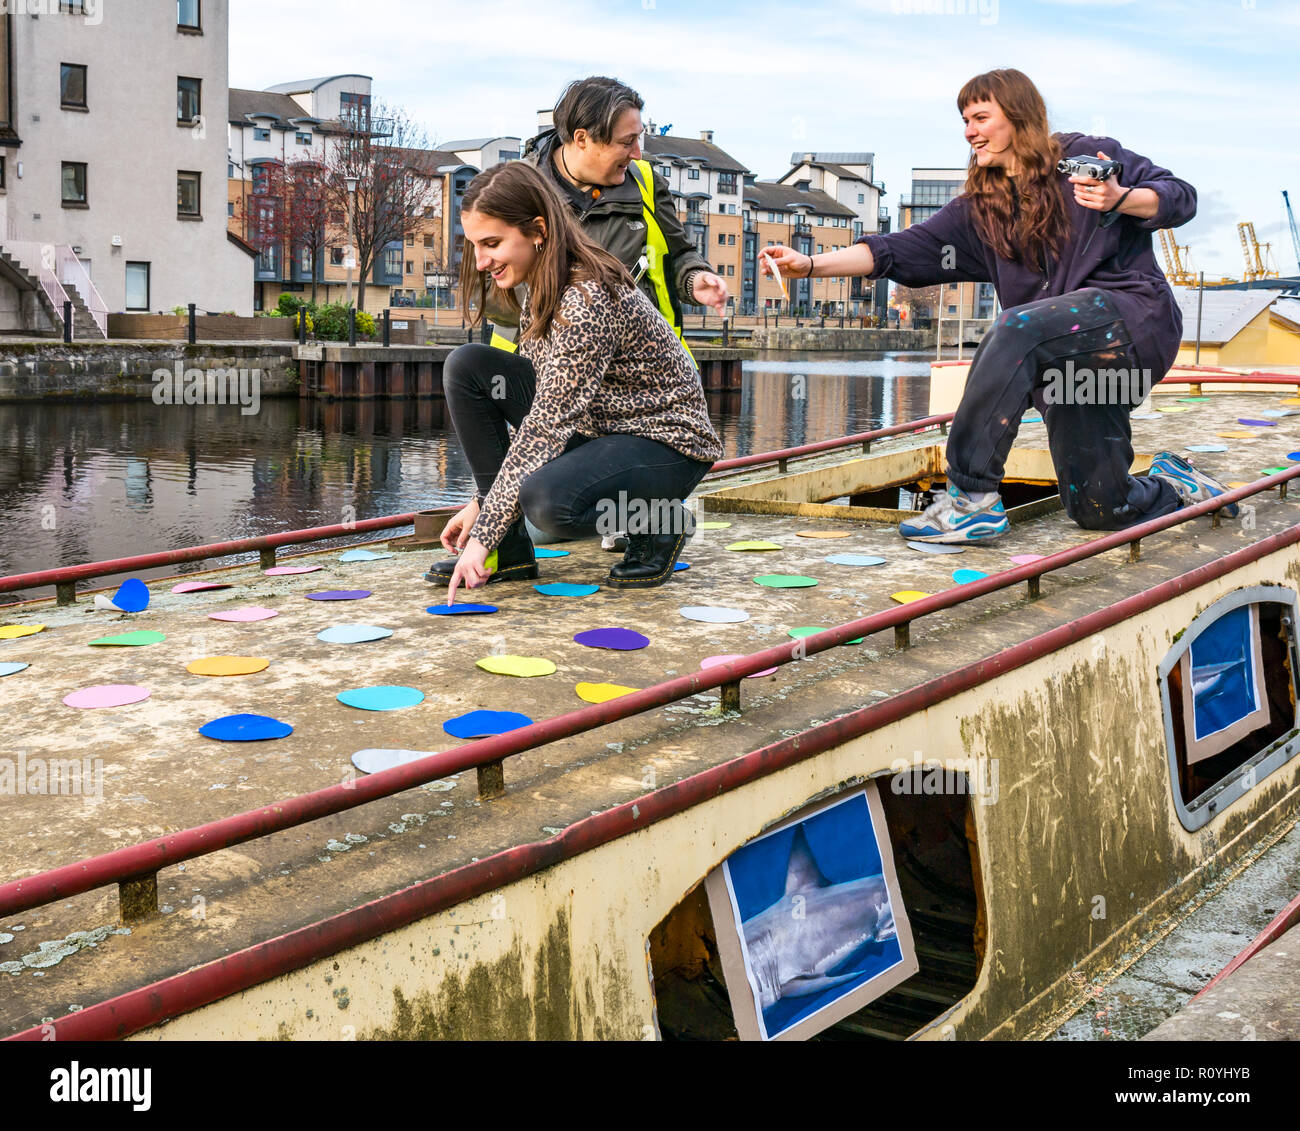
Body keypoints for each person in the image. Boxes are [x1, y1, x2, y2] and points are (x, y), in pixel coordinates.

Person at [764, 68, 1236, 544]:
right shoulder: (978, 210)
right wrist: (809, 265)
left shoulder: (1084, 157)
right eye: (965, 120)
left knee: (1017, 327)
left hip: (1133, 321)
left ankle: (972, 501)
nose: (969, 130)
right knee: (1100, 507)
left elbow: (1180, 197)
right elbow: (896, 249)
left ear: (1019, 115)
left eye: (980, 116)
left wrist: (1120, 197)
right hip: (1064, 368)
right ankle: (1177, 483)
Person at [427, 75, 727, 579]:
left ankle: (660, 522)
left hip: (660, 437)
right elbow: (547, 406)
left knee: (549, 504)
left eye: (492, 245)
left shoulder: (584, 297)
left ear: (538, 232)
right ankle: (513, 553)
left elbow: (546, 426)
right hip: (598, 420)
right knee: (468, 365)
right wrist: (487, 509)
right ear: (581, 137)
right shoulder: (544, 269)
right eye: (475, 245)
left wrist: (481, 529)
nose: (480, 262)